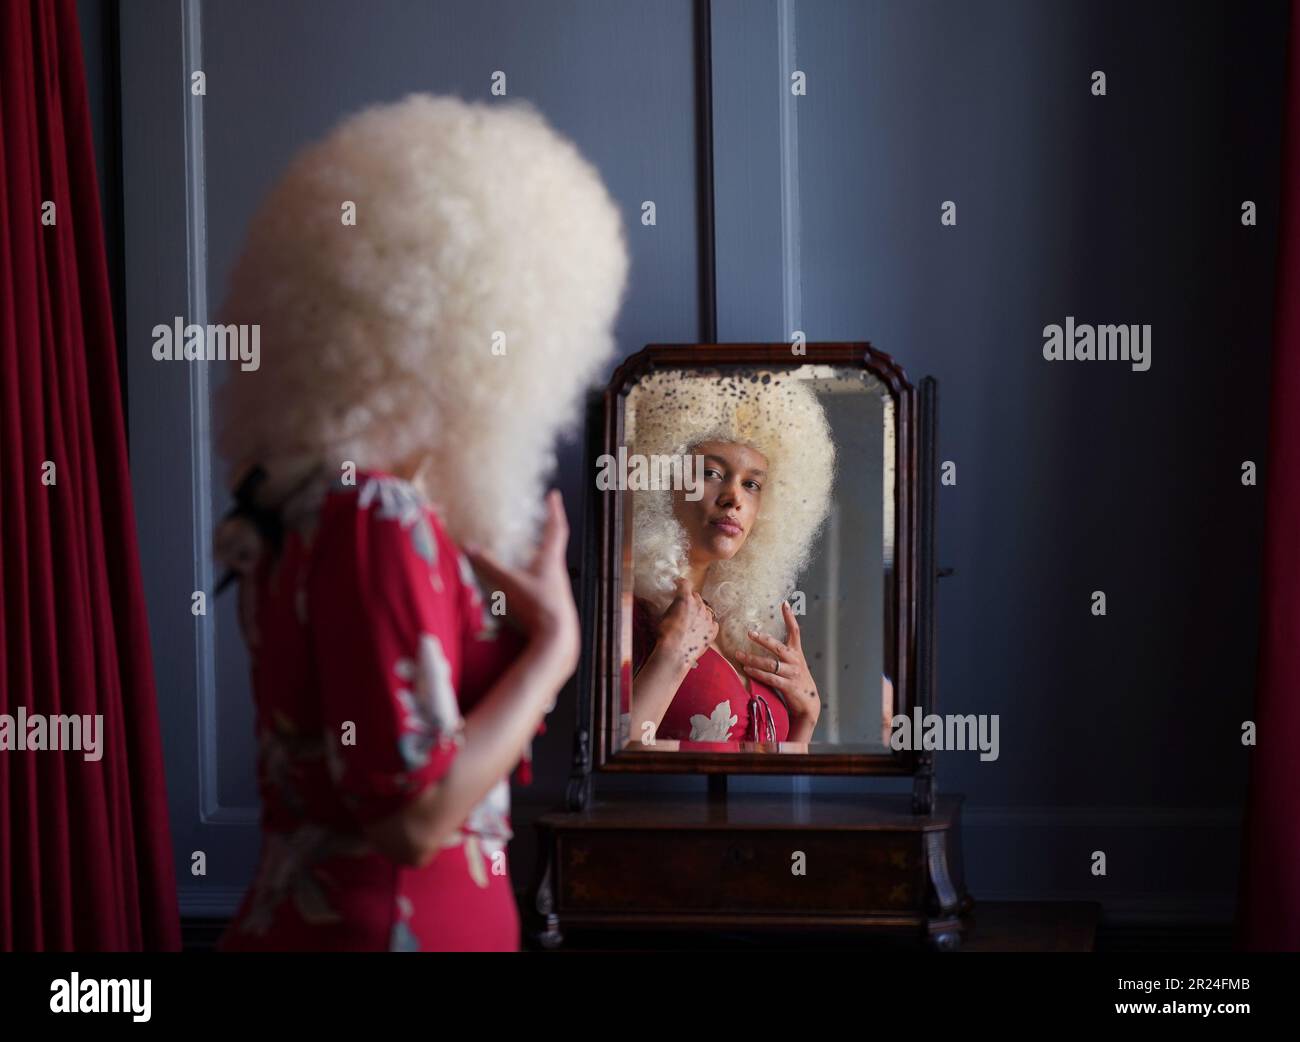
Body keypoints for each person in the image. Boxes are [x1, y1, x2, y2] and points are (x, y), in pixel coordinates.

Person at [210, 94, 628, 951]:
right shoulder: (376, 513)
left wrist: (527, 621)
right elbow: (414, 818)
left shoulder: (314, 511)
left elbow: (434, 742)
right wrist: (555, 651)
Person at [622, 370, 835, 748]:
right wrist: (672, 653)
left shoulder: (743, 630)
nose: (733, 497)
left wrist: (806, 717)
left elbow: (771, 779)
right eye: (712, 473)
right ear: (662, 482)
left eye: (751, 484)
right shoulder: (626, 612)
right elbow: (614, 754)